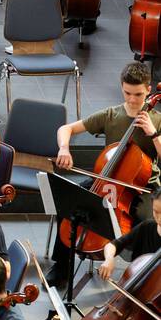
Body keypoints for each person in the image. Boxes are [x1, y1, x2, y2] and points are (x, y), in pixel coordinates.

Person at [48, 61, 161, 285]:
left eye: (138, 94)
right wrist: (64, 148)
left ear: (149, 90)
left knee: (149, 222)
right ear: (121, 87)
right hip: (108, 178)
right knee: (70, 200)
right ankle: (61, 267)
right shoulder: (111, 115)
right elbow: (66, 129)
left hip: (144, 185)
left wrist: (153, 134)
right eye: (127, 93)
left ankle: (139, 279)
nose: (132, 100)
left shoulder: (157, 120)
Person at [95, 191, 161, 320]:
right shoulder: (148, 227)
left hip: (156, 308)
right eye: (155, 211)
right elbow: (112, 245)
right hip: (130, 295)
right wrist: (109, 259)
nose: (158, 217)